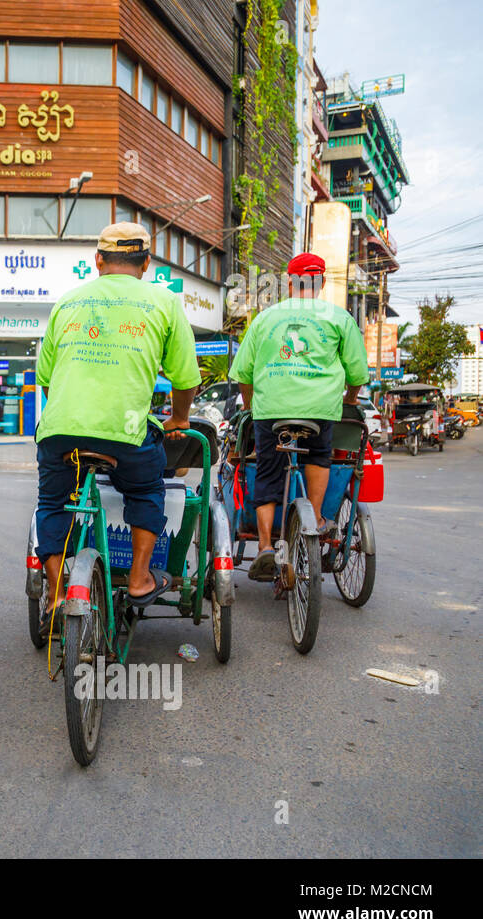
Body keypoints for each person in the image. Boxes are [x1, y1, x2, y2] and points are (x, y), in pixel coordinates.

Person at [34, 222, 200, 631]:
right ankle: (141, 577)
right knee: (145, 489)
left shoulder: (68, 301)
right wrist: (179, 417)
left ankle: (56, 595)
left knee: (53, 503)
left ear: (98, 262)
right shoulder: (163, 301)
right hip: (126, 431)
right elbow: (186, 380)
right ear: (146, 263)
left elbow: (47, 379)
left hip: (59, 431)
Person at [229, 252, 367, 581]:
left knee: (268, 469)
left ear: (290, 283)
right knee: (320, 455)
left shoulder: (265, 318)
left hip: (271, 412)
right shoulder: (339, 317)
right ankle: (316, 519)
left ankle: (264, 545)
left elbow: (243, 374)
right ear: (320, 284)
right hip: (319, 411)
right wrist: (347, 399)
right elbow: (357, 375)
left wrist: (251, 406)